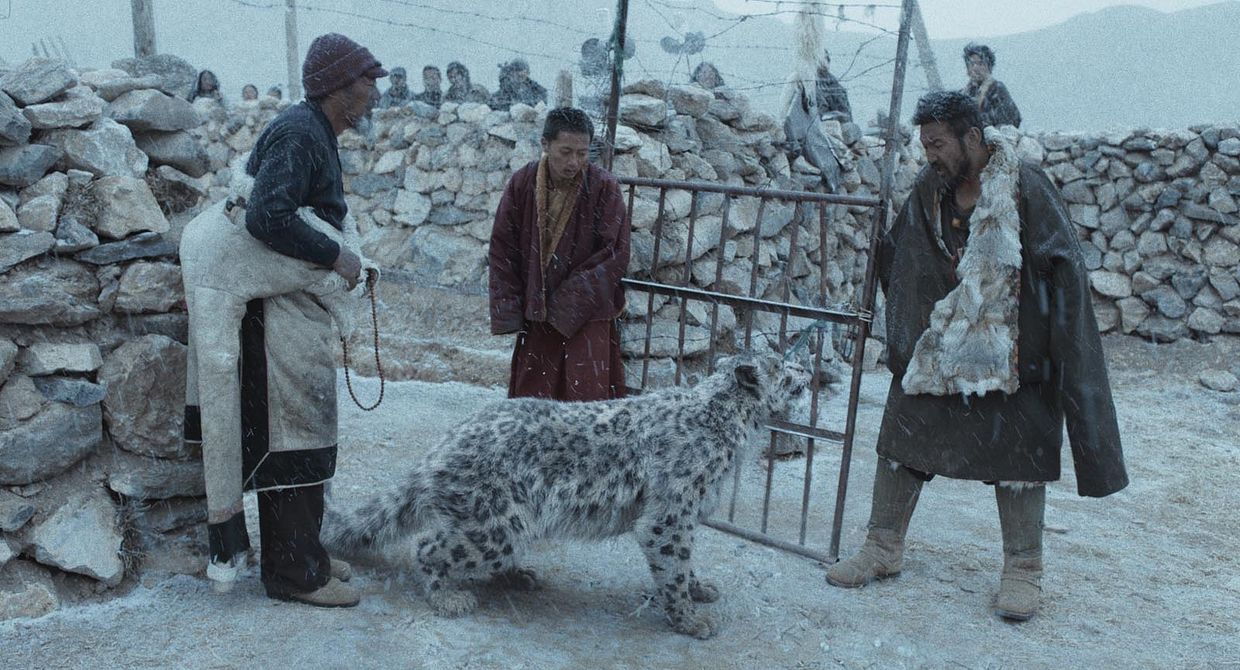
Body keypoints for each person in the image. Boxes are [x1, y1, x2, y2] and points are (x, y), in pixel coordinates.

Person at [824, 91, 1127, 621]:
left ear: (972, 138)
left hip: (1012, 356)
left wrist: (1051, 351)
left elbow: (1066, 275)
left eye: (938, 144)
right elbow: (902, 257)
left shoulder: (1027, 187)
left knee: (1020, 454)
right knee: (903, 435)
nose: (930, 155)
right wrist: (904, 330)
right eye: (924, 145)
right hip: (940, 348)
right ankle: (882, 547)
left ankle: (1023, 570)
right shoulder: (927, 190)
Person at [184, 32, 386, 608]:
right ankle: (294, 573)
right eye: (367, 81)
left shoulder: (312, 131)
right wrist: (336, 257)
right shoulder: (300, 134)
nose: (373, 93)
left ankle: (306, 552)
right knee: (292, 435)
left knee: (307, 431)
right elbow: (266, 216)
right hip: (275, 315)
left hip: (289, 306)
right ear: (337, 86)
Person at [489, 107, 630, 401]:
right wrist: (511, 308)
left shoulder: (604, 187)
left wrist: (566, 305)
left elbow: (613, 255)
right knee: (532, 407)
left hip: (588, 315)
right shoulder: (522, 184)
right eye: (565, 152)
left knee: (586, 404)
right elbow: (504, 248)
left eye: (582, 153)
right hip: (538, 315)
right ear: (545, 144)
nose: (574, 162)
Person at [961, 43, 1021, 128]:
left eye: (980, 64)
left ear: (989, 67)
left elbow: (1013, 119)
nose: (975, 68)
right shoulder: (964, 93)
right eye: (972, 64)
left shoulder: (997, 89)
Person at [814, 50, 851, 122]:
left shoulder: (835, 85)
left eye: (825, 59)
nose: (822, 62)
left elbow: (845, 113)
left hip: (831, 124)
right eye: (818, 59)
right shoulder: (807, 81)